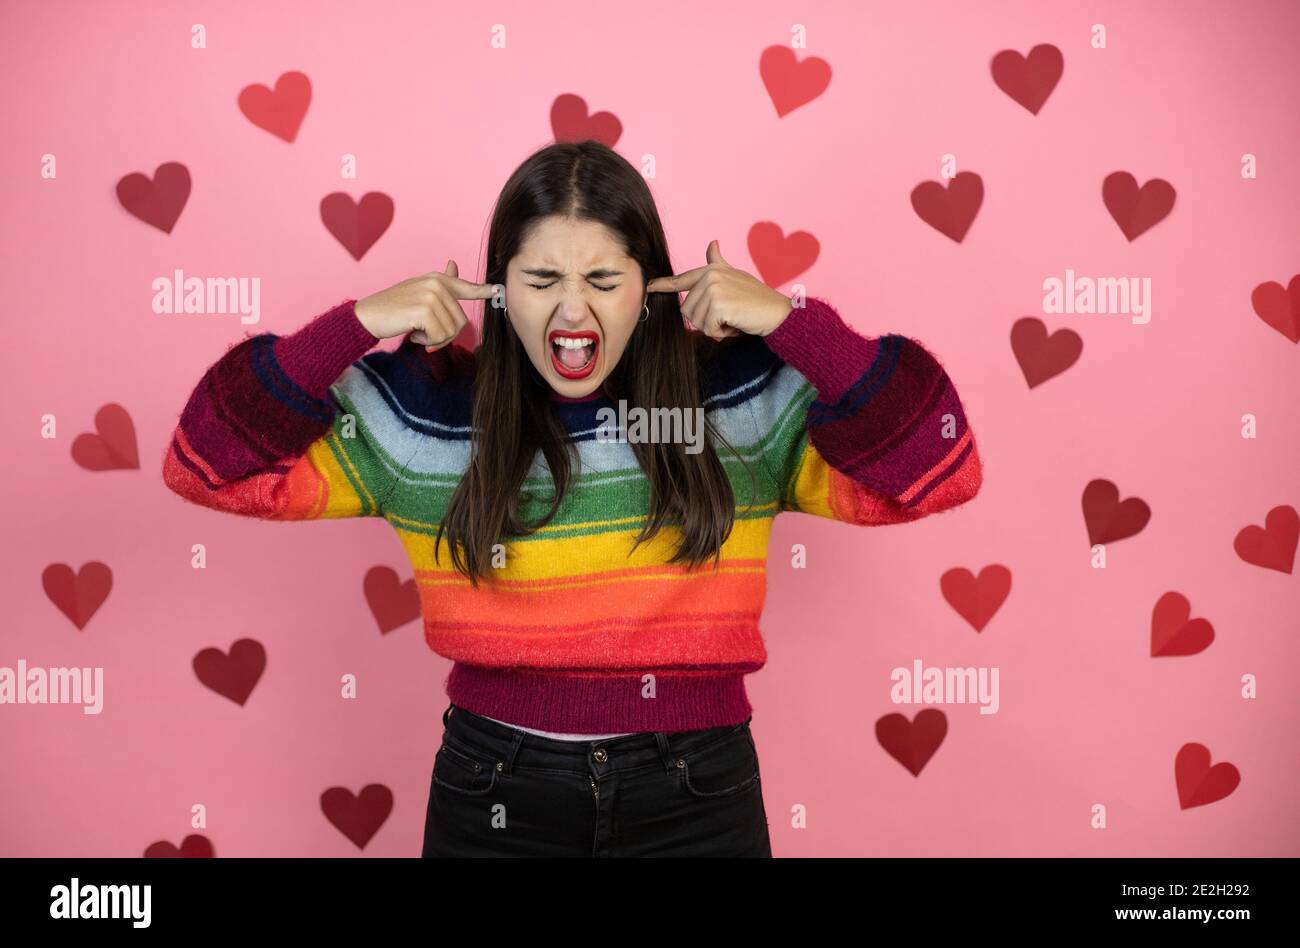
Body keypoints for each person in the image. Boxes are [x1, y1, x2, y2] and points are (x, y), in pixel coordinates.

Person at [161, 139, 984, 857]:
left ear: (654, 287)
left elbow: (939, 466)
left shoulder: (737, 401)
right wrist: (353, 323)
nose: (571, 307)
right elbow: (206, 464)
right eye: (542, 277)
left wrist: (791, 322)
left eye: (602, 278)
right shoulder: (425, 409)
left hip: (697, 793)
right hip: (494, 791)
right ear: (498, 289)